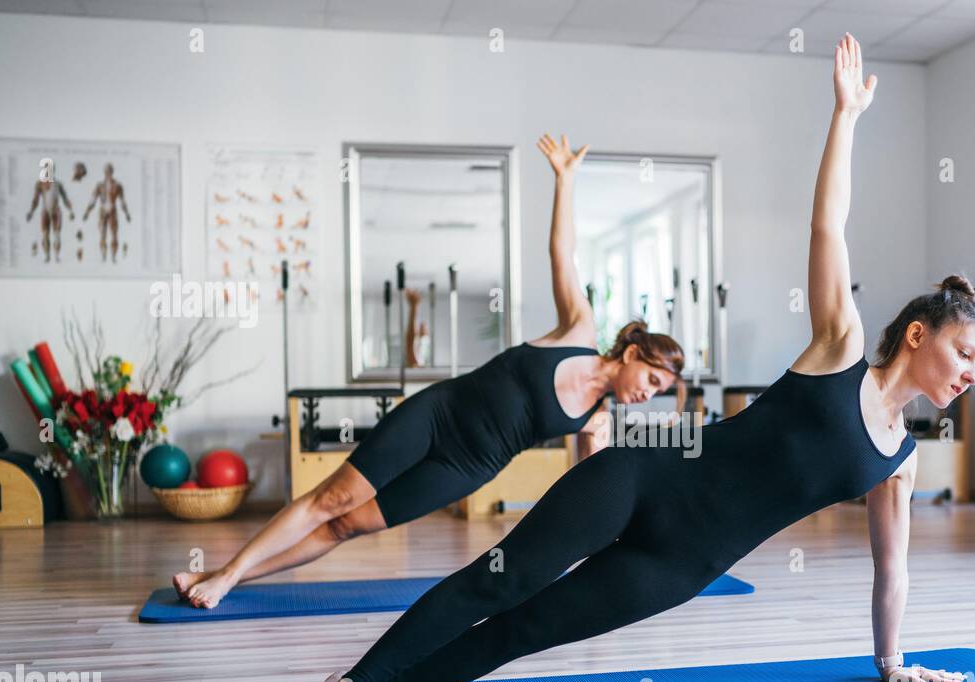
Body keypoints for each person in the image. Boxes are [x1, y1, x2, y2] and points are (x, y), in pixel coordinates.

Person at [276, 35, 975, 682]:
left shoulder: (900, 460)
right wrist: (845, 115)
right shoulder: (839, 347)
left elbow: (892, 569)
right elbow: (827, 224)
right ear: (915, 335)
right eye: (965, 352)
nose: (969, 373)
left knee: (520, 633)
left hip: (682, 563)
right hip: (638, 481)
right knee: (496, 582)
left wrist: (892, 661)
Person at [175, 133, 684, 609]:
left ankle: (227, 577)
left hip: (467, 468)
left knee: (345, 526)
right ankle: (224, 575)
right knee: (332, 498)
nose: (648, 394)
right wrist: (564, 181)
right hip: (438, 414)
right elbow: (562, 254)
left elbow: (582, 491)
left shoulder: (596, 418)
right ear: (635, 355)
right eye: (653, 382)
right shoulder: (578, 332)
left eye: (658, 392)